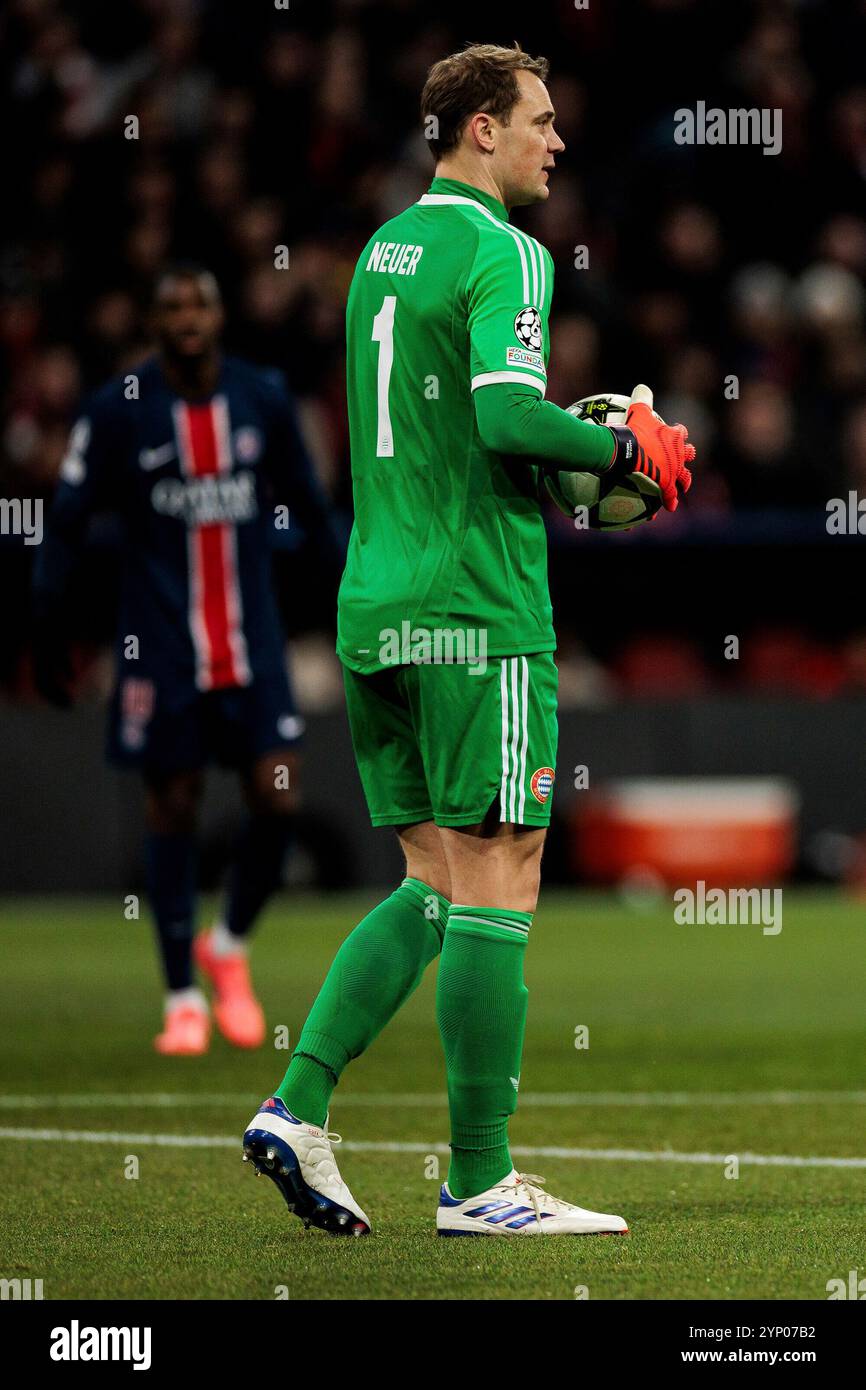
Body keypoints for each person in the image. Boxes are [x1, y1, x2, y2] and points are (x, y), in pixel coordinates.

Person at [243, 43, 692, 1235]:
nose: (556, 142)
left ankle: (297, 1106)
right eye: (539, 122)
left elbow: (444, 420)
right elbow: (500, 412)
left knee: (434, 882)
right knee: (504, 874)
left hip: (375, 601)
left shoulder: (380, 255)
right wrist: (619, 450)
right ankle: (479, 1180)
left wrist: (567, 451)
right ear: (478, 130)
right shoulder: (507, 251)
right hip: (473, 610)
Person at [33, 265, 341, 1056]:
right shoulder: (118, 411)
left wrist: (351, 605)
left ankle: (227, 946)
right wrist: (45, 628)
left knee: (278, 799)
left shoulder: (262, 397)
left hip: (253, 646)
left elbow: (309, 508)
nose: (188, 316)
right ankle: (180, 998)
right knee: (171, 808)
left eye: (200, 302)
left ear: (220, 313)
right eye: (172, 306)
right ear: (154, 320)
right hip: (162, 650)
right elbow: (65, 522)